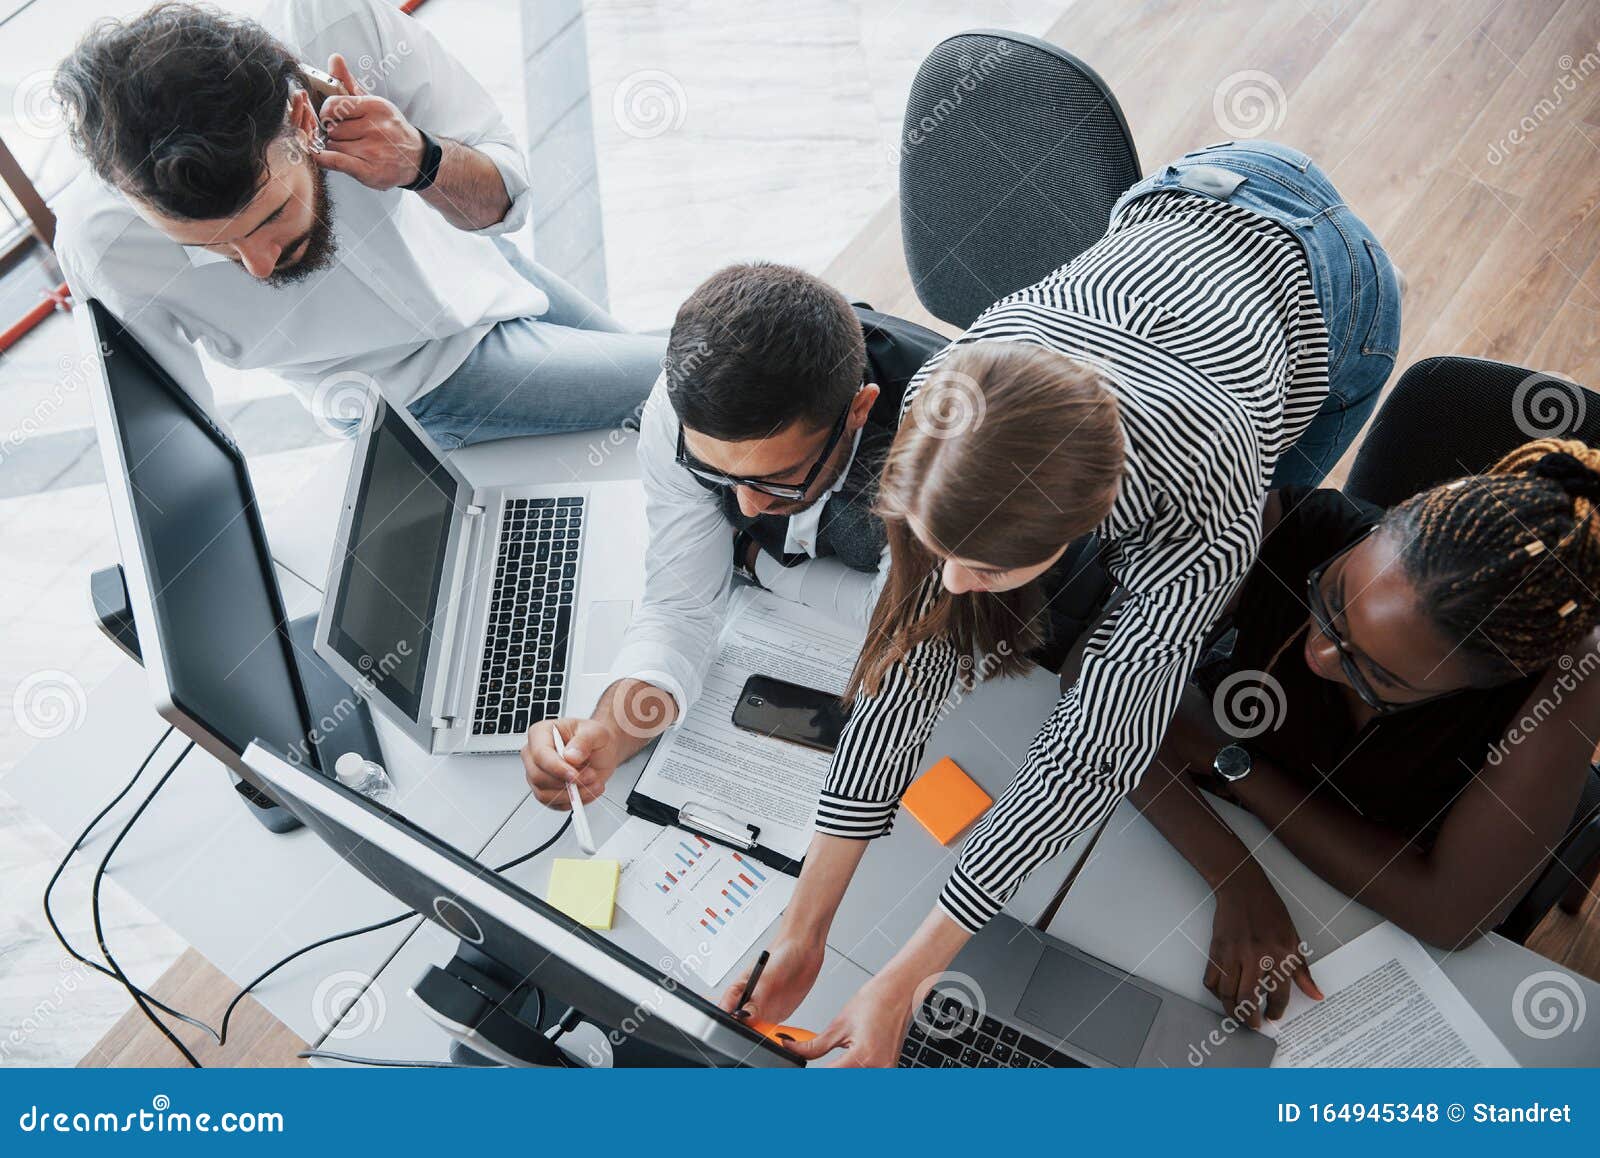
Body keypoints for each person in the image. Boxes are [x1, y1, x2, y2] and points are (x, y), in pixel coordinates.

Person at [719, 140, 1403, 1066]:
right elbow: (906, 659)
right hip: (1180, 198)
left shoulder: (1210, 479)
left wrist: (912, 970)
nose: (954, 581)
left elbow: (1092, 750)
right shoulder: (943, 397)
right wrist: (805, 925)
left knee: (1266, 537)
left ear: (1087, 522)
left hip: (1325, 287)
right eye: (942, 549)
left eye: (990, 567)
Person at [1127, 438, 1600, 1026]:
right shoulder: (1296, 524)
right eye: (1332, 599)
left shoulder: (1558, 687)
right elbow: (1097, 684)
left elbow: (1449, 914)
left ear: (1495, 678)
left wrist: (1234, 762)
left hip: (1355, 933)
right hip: (1170, 854)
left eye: (1375, 675)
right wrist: (1236, 877)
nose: (1320, 654)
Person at [50, 0, 661, 446]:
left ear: (299, 119)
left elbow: (506, 202)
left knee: (701, 394)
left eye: (269, 216)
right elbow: (176, 430)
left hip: (485, 273)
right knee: (698, 390)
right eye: (216, 251)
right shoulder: (101, 240)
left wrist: (422, 161)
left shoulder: (338, 23)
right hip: (401, 390)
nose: (259, 266)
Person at [519, 262, 945, 802]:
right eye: (714, 473)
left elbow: (903, 629)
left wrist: (754, 563)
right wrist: (611, 728)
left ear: (859, 410)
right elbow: (681, 606)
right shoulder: (686, 415)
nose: (747, 505)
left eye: (780, 478)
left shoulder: (939, 462)